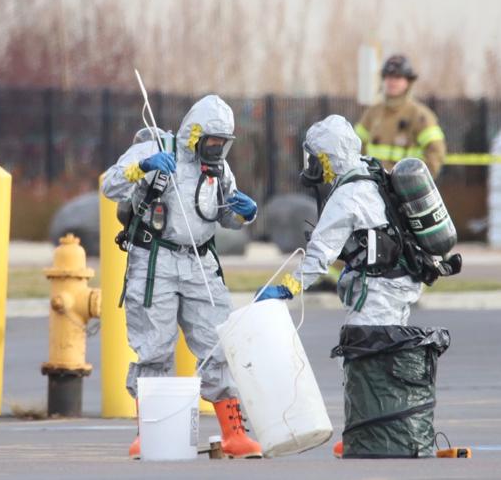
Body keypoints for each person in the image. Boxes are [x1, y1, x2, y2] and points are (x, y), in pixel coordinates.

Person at [257, 114, 459, 457]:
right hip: (400, 280)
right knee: (381, 358)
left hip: (380, 287)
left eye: (314, 158)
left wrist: (288, 287)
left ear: (327, 158)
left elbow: (319, 254)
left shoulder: (347, 196)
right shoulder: (369, 171)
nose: (311, 166)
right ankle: (373, 427)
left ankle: (372, 430)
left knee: (364, 356)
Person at [102, 94, 262, 459]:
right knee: (154, 347)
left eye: (223, 144)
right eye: (212, 142)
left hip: (199, 262)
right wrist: (142, 166)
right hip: (155, 260)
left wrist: (243, 213)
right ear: (195, 135)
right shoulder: (157, 149)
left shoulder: (219, 168)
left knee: (218, 343)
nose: (217, 149)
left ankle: (234, 433)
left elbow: (224, 213)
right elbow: (110, 185)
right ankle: (150, 433)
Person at [354, 54, 446, 176]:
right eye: (388, 76)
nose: (392, 81)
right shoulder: (372, 113)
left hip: (405, 190)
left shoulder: (420, 116)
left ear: (408, 81)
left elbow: (435, 153)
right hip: (372, 186)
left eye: (397, 77)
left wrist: (416, 181)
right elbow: (355, 146)